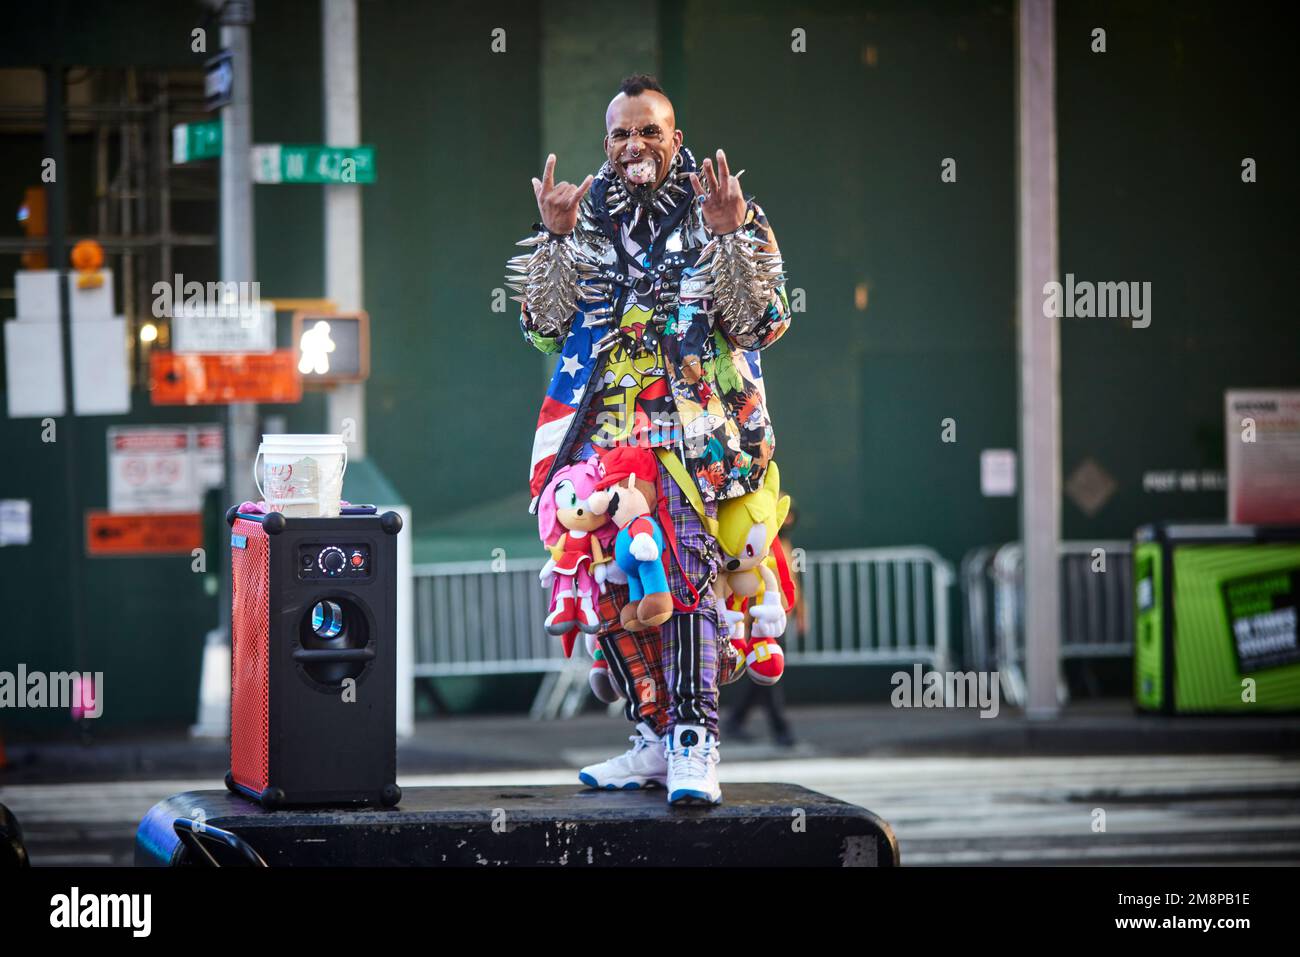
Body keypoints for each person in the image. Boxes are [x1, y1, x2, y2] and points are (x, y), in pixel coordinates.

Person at [507, 74, 791, 805]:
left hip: (692, 431)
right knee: (604, 582)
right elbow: (541, 328)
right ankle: (655, 738)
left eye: (650, 131)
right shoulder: (583, 210)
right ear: (606, 143)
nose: (635, 145)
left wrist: (730, 235)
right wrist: (555, 239)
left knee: (686, 583)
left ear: (677, 139)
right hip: (601, 431)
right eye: (622, 133)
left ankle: (697, 742)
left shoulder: (724, 204)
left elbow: (764, 324)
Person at [724, 500, 802, 747]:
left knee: (763, 674)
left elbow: (793, 582)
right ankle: (781, 728)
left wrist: (801, 614)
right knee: (767, 670)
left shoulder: (784, 545)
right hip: (758, 621)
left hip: (777, 618)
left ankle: (736, 719)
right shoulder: (759, 543)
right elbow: (747, 582)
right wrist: (745, 621)